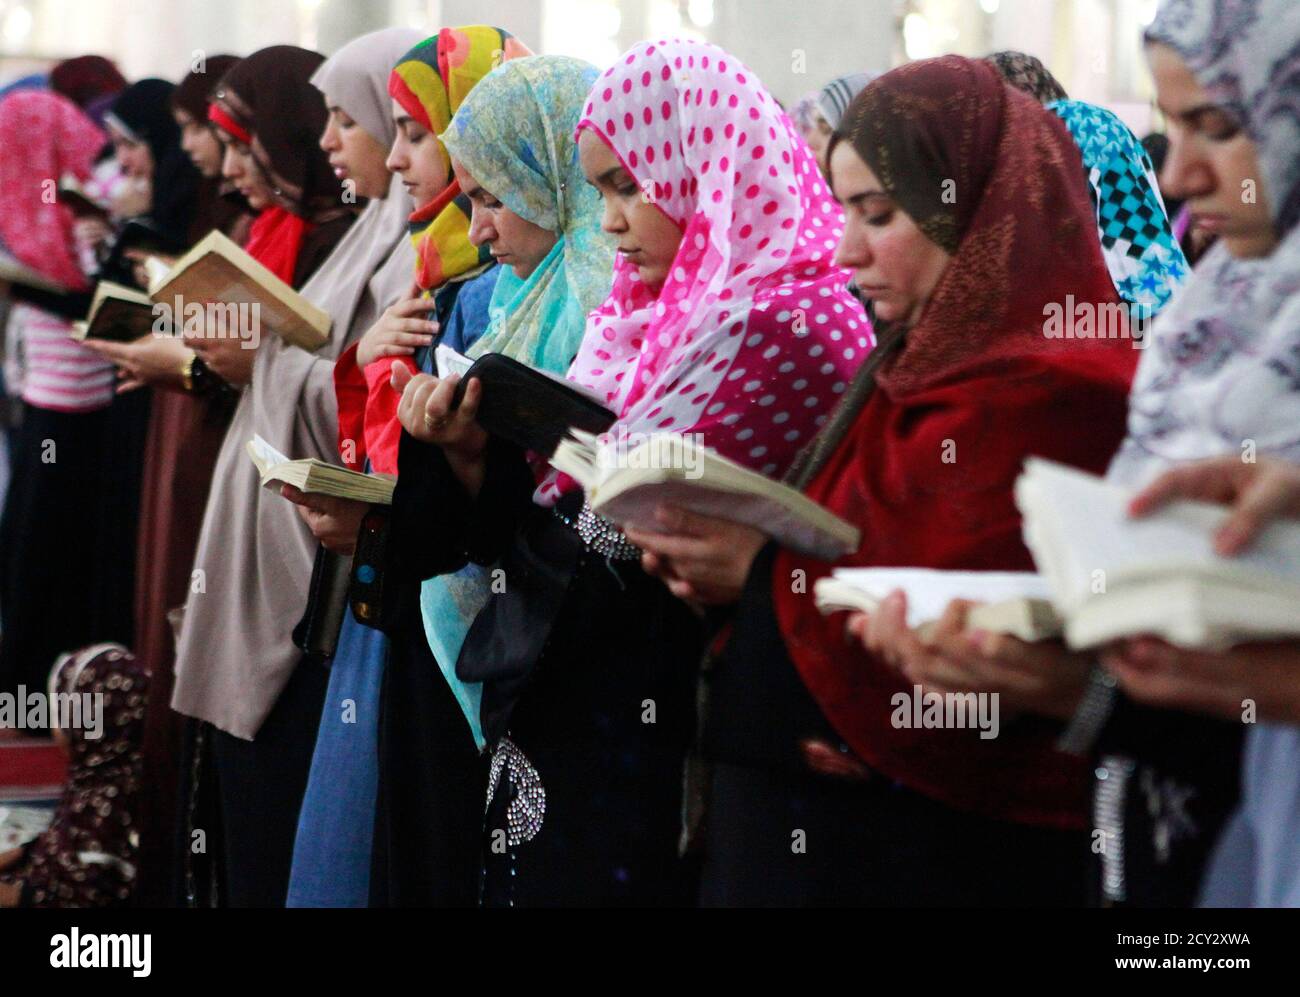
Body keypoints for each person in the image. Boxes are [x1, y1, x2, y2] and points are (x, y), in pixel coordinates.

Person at [630, 55, 1138, 906]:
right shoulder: (910, 367)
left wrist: (757, 574)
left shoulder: (1057, 393)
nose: (845, 247)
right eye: (842, 212)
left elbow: (977, 655)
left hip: (931, 861)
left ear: (982, 210)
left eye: (879, 213)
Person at [392, 37, 868, 906]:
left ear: (705, 170)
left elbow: (622, 536)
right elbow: (576, 494)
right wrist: (469, 455)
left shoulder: (779, 319)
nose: (608, 220)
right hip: (581, 709)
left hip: (662, 728)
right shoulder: (650, 311)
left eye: (628, 186)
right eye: (602, 189)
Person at [848, 0, 1300, 908]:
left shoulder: (1088, 360)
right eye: (1173, 128)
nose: (1183, 171)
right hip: (1166, 829)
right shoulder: (1219, 315)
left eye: (1221, 126)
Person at [362, 52, 616, 908]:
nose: (474, 230)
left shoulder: (614, 309)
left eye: (492, 198)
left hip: (578, 675)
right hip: (464, 636)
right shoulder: (513, 297)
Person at [166, 44, 376, 908]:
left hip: (327, 570)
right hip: (258, 522)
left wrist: (247, 364)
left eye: (353, 121)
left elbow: (355, 396)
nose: (333, 142)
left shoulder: (366, 237)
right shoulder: (344, 231)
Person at [0, 91, 116, 704]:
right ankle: (29, 682)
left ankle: (39, 682)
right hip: (51, 399)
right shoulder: (30, 197)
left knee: (46, 542)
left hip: (76, 400)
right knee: (38, 538)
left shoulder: (85, 195)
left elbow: (96, 297)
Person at [0, 643, 148, 907]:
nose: (56, 728)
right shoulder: (103, 778)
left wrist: (15, 898)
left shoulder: (109, 804)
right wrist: (22, 853)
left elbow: (90, 895)